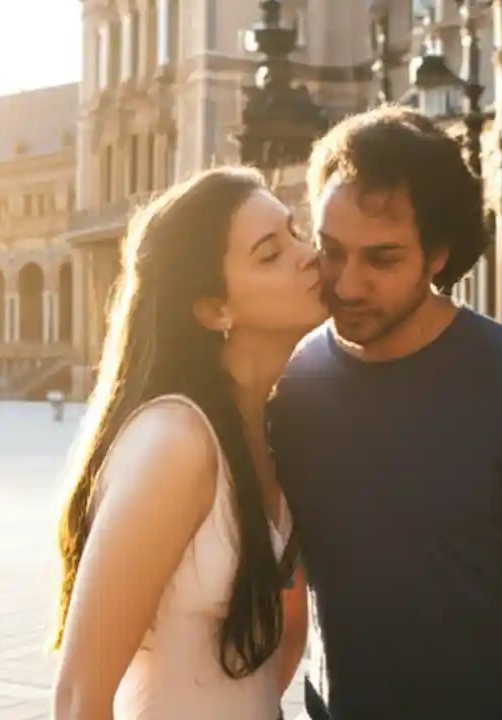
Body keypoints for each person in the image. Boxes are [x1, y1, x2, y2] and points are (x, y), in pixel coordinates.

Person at [268, 106, 502, 719]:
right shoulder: (295, 382)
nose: (346, 285)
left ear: (438, 255)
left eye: (383, 259)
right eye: (332, 250)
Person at [51, 167, 320, 720]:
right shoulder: (176, 442)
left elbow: (278, 640)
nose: (308, 254)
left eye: (296, 232)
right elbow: (80, 697)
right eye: (270, 253)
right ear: (213, 308)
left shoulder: (272, 428)